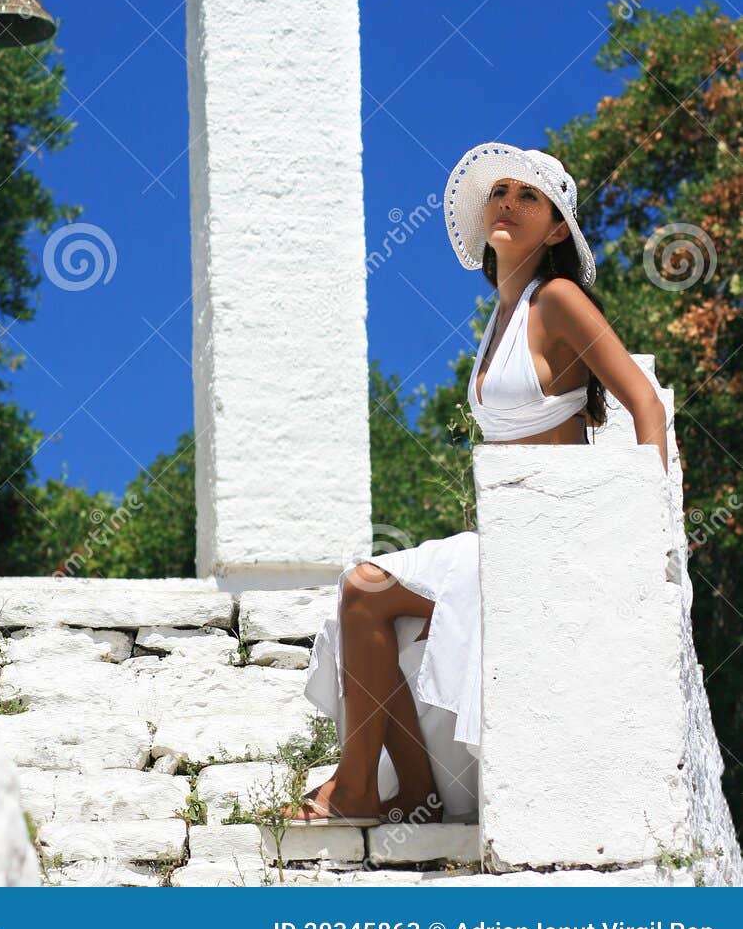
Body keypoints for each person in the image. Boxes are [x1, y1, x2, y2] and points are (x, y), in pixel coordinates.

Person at [284, 142, 670, 828]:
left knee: (363, 589)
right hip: (501, 537)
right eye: (499, 193)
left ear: (556, 229)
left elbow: (641, 401)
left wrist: (648, 527)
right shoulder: (501, 317)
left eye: (529, 197)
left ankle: (358, 792)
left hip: (554, 534)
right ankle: (404, 793)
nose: (508, 203)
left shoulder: (556, 298)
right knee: (368, 601)